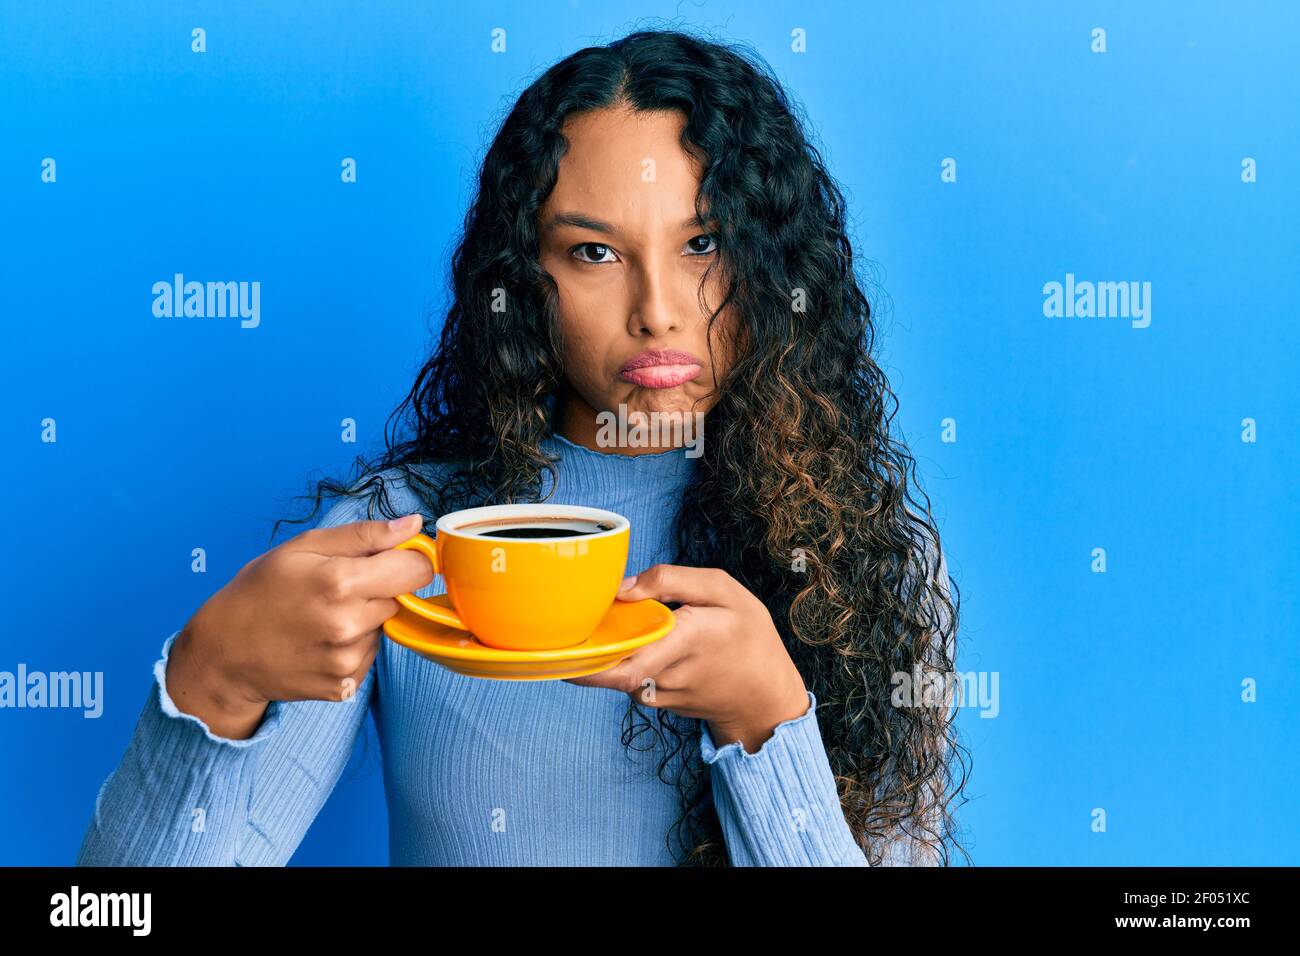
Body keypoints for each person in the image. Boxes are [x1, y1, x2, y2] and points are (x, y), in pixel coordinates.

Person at [76, 28, 968, 867]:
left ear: (775, 266)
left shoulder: (861, 559)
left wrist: (768, 724)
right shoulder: (401, 543)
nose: (656, 308)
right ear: (522, 282)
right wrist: (210, 681)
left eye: (703, 242)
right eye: (593, 253)